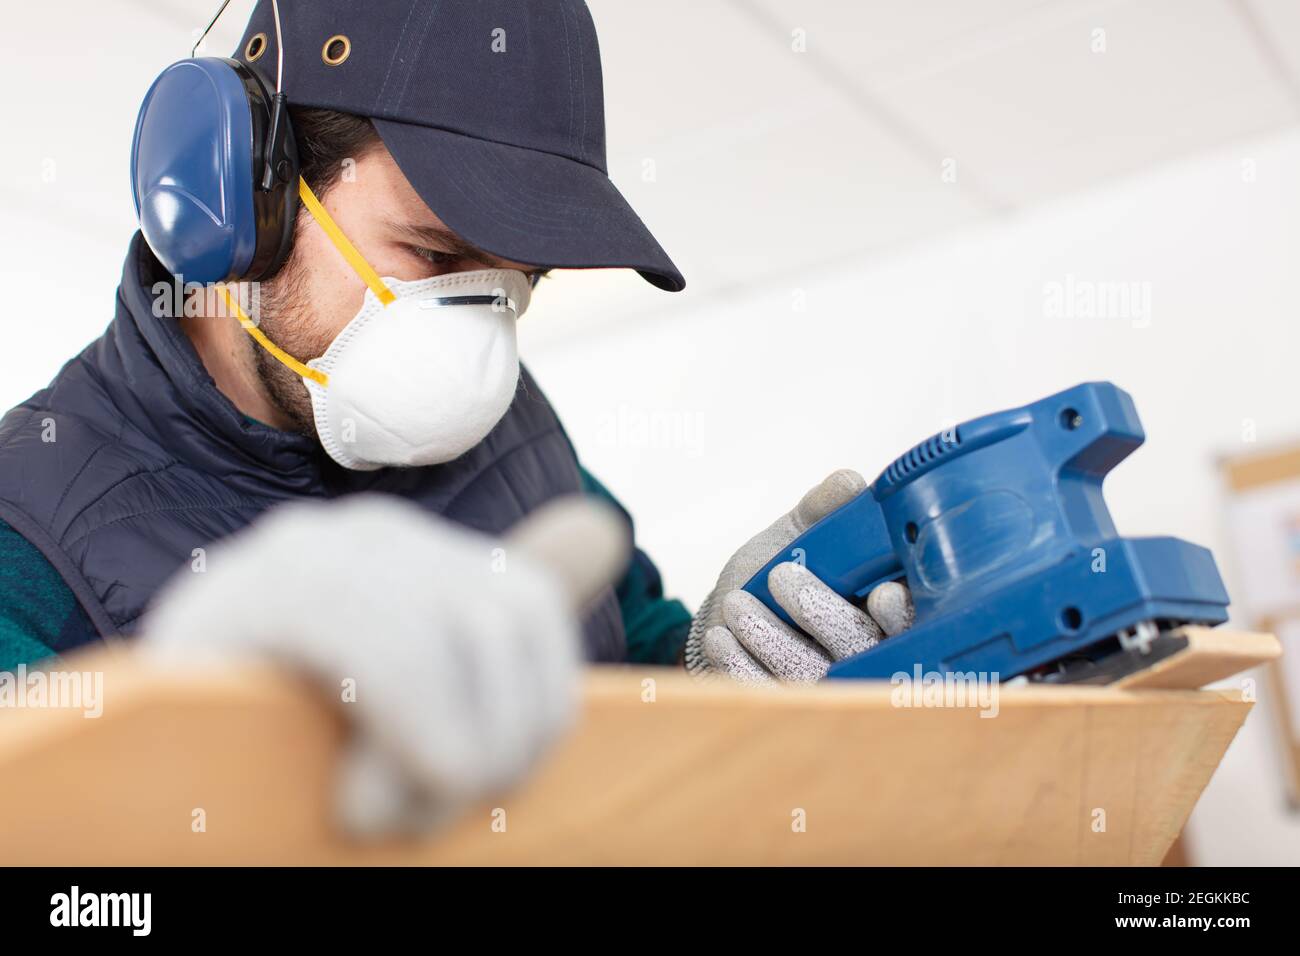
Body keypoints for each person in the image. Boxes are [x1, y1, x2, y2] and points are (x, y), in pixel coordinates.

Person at [0, 0, 910, 831]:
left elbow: (619, 658)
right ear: (244, 195)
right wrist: (185, 733)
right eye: (436, 257)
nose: (473, 342)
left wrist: (712, 671)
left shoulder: (508, 423)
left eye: (518, 281)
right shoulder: (25, 525)